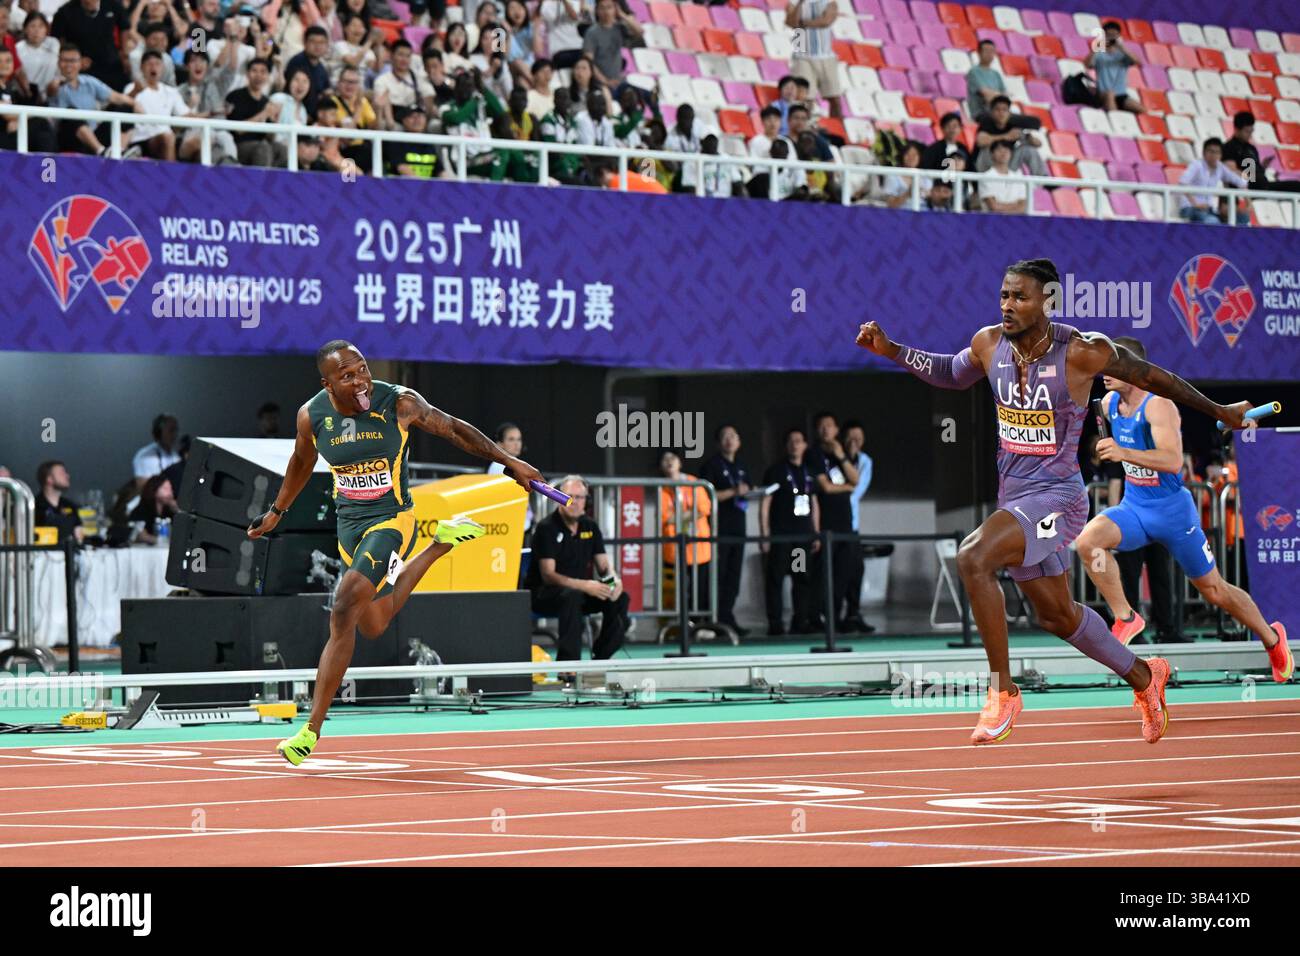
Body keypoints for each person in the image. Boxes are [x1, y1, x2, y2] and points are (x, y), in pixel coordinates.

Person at [855, 257, 1259, 745]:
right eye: (1003, 295)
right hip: (1015, 494)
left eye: (1019, 296)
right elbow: (949, 373)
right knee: (1058, 616)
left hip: (1058, 498)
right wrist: (892, 349)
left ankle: (1002, 692)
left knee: (973, 556)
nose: (1007, 305)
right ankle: (1144, 677)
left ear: (1048, 300)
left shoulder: (1083, 352)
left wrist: (1221, 411)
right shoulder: (988, 343)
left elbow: (1157, 379)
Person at [250, 340, 545, 765]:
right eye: (347, 376)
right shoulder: (311, 415)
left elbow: (454, 428)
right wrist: (277, 512)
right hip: (348, 527)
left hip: (392, 521)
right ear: (327, 384)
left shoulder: (399, 403)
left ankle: (309, 730)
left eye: (363, 369)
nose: (360, 380)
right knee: (372, 622)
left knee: (343, 604)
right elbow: (300, 461)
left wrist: (507, 461)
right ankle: (440, 544)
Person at [1074, 337, 1289, 677]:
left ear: (1135, 370)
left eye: (1112, 365)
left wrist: (1122, 452)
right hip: (1135, 508)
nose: (1104, 371)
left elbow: (1173, 461)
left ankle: (1271, 637)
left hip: (1174, 514)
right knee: (1088, 542)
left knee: (1215, 590)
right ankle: (1127, 617)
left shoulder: (1159, 406)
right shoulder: (1110, 403)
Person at [527, 475, 631, 668]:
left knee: (620, 598)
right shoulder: (546, 528)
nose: (574, 502)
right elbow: (549, 575)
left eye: (580, 497)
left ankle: (600, 660)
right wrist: (586, 585)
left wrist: (614, 581)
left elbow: (604, 567)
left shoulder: (590, 526)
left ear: (587, 500)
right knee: (571, 596)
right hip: (544, 594)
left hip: (578, 592)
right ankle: (569, 668)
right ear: (558, 498)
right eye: (568, 496)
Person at [761, 427, 819, 635]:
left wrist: (816, 532)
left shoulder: (809, 472)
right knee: (776, 579)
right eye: (791, 441)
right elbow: (765, 502)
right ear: (786, 446)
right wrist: (765, 534)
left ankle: (799, 620)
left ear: (805, 445)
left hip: (801, 537)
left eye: (799, 441)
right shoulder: (776, 471)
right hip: (781, 537)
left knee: (800, 577)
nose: (795, 444)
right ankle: (775, 623)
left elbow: (814, 502)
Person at [806, 412, 859, 632]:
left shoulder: (841, 453)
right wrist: (847, 487)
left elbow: (856, 479)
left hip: (846, 524)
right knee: (822, 575)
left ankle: (836, 618)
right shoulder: (813, 454)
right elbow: (826, 487)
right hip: (825, 524)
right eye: (821, 426)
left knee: (844, 573)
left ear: (837, 429)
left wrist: (841, 455)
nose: (826, 430)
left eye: (829, 425)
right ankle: (817, 618)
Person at [701, 425, 752, 636]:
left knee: (733, 575)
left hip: (739, 528)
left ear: (739, 442)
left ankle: (727, 615)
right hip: (718, 529)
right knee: (718, 575)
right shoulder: (711, 466)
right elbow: (707, 497)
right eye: (725, 437)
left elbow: (747, 490)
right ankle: (713, 618)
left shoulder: (741, 466)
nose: (730, 440)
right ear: (718, 443)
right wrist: (733, 491)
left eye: (733, 436)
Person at [49, 43, 136, 156]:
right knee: (71, 113)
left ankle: (119, 152)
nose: (69, 65)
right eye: (65, 60)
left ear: (81, 63)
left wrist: (135, 104)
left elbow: (116, 97)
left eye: (73, 61)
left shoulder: (89, 82)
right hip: (69, 137)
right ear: (58, 63)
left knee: (126, 109)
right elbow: (50, 91)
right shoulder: (54, 84)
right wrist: (57, 84)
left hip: (94, 133)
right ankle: (101, 151)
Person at [659, 450, 712, 615]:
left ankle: (700, 625)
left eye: (672, 458)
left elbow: (704, 508)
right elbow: (664, 516)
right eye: (665, 459)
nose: (669, 462)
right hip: (674, 550)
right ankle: (678, 626)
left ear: (680, 462)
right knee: (678, 592)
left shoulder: (694, 482)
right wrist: (691, 513)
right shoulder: (660, 488)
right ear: (661, 466)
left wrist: (678, 516)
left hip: (698, 548)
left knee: (700, 590)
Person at [840, 419, 874, 633]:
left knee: (856, 569)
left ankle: (853, 613)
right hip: (832, 525)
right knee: (836, 573)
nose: (854, 442)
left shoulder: (865, 461)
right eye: (850, 438)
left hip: (852, 525)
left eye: (858, 439)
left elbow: (855, 491)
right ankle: (832, 618)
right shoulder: (834, 460)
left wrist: (840, 487)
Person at [785, 0, 841, 119]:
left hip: (825, 56)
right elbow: (792, 23)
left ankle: (837, 131)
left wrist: (803, 23)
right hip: (801, 56)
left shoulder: (829, 2)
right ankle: (806, 130)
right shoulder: (793, 3)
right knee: (805, 99)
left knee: (834, 99)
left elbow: (826, 21)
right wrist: (800, 4)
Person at [1223, 110, 1300, 195]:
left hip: (1263, 186)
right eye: (1247, 131)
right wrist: (1249, 178)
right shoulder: (1229, 147)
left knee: (1297, 185)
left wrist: (1263, 167)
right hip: (1249, 188)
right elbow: (1230, 170)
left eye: (1251, 131)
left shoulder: (1251, 148)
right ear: (1237, 129)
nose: (1250, 134)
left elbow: (1255, 171)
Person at [1178, 137, 1249, 224]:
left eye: (1217, 152)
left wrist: (1248, 204)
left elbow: (1241, 183)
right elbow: (1182, 183)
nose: (1213, 155)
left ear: (1221, 155)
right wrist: (1195, 204)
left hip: (1208, 209)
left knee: (1242, 218)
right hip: (1190, 208)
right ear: (1204, 153)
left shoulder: (1220, 167)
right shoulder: (1196, 165)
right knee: (1212, 221)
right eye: (1210, 151)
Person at [973, 95, 1046, 176]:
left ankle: (1044, 179)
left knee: (1028, 149)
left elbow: (1039, 144)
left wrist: (1029, 138)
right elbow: (980, 141)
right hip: (986, 166)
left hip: (1007, 165)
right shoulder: (987, 122)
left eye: (1004, 110)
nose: (1001, 113)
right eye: (997, 109)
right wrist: (1006, 136)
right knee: (988, 147)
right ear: (992, 112)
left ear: (1009, 113)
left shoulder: (1013, 124)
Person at [1084, 20, 1142, 114]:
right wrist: (1096, 48)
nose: (1111, 38)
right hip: (1103, 93)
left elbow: (1138, 62)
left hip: (1121, 94)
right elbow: (1087, 64)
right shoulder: (1099, 54)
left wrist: (1121, 47)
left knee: (1142, 110)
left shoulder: (1122, 55)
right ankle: (1115, 121)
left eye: (1114, 35)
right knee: (1110, 94)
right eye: (1108, 35)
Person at [34, 461, 84, 543]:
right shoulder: (34, 507)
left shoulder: (70, 505)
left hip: (69, 552)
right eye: (62, 473)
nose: (67, 476)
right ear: (49, 479)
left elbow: (79, 531)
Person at [133, 413, 180, 490]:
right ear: (159, 432)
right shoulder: (143, 456)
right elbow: (142, 488)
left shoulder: (176, 456)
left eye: (175, 430)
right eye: (171, 430)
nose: (175, 434)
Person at [978, 138, 1026, 214]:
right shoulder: (986, 176)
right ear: (992, 154)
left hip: (1016, 221)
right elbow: (993, 206)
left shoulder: (1018, 177)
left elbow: (1023, 206)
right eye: (999, 150)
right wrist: (1015, 206)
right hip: (992, 221)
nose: (1003, 153)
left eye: (1006, 150)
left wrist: (1002, 206)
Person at [965, 39, 1004, 122]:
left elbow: (1004, 96)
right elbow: (986, 95)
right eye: (986, 51)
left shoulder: (996, 74)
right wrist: (997, 95)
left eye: (992, 51)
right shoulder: (974, 72)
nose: (989, 54)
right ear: (979, 53)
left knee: (1031, 121)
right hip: (981, 114)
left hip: (998, 113)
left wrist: (996, 95)